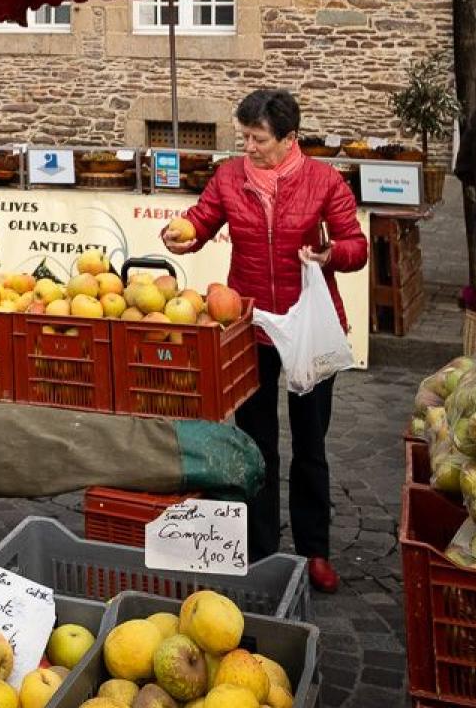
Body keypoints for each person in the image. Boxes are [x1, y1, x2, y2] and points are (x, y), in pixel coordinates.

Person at [162, 87, 367, 594]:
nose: (248, 148)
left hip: (309, 328)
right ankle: (260, 546)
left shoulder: (324, 180)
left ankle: (315, 551)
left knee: (311, 443)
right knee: (255, 443)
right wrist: (183, 236)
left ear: (289, 138)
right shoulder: (230, 177)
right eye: (245, 137)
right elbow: (202, 220)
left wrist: (331, 253)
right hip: (250, 325)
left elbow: (357, 247)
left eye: (258, 139)